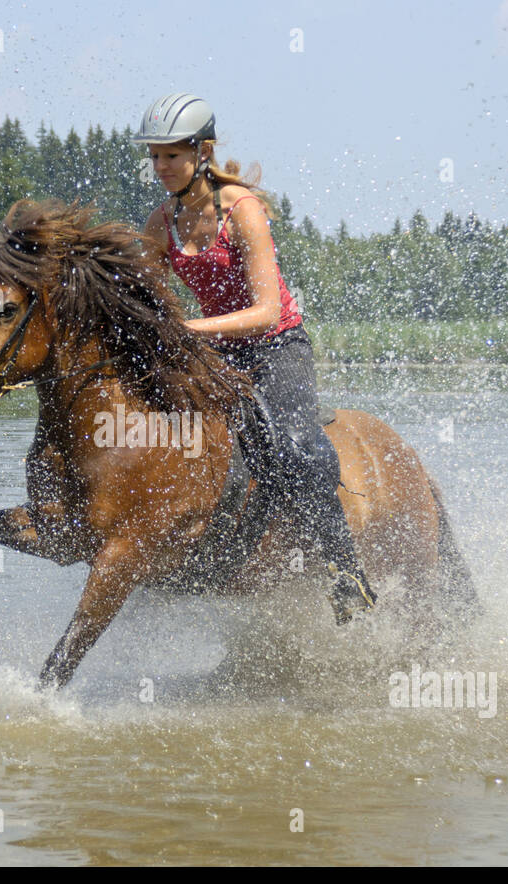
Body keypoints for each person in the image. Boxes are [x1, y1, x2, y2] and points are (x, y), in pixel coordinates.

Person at [131, 92, 378, 623]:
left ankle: (345, 569)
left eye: (171, 155)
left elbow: (266, 312)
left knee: (293, 445)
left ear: (203, 151)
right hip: (216, 352)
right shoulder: (161, 223)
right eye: (154, 156)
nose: (161, 167)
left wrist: (186, 329)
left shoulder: (242, 211)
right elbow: (145, 301)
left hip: (276, 347)